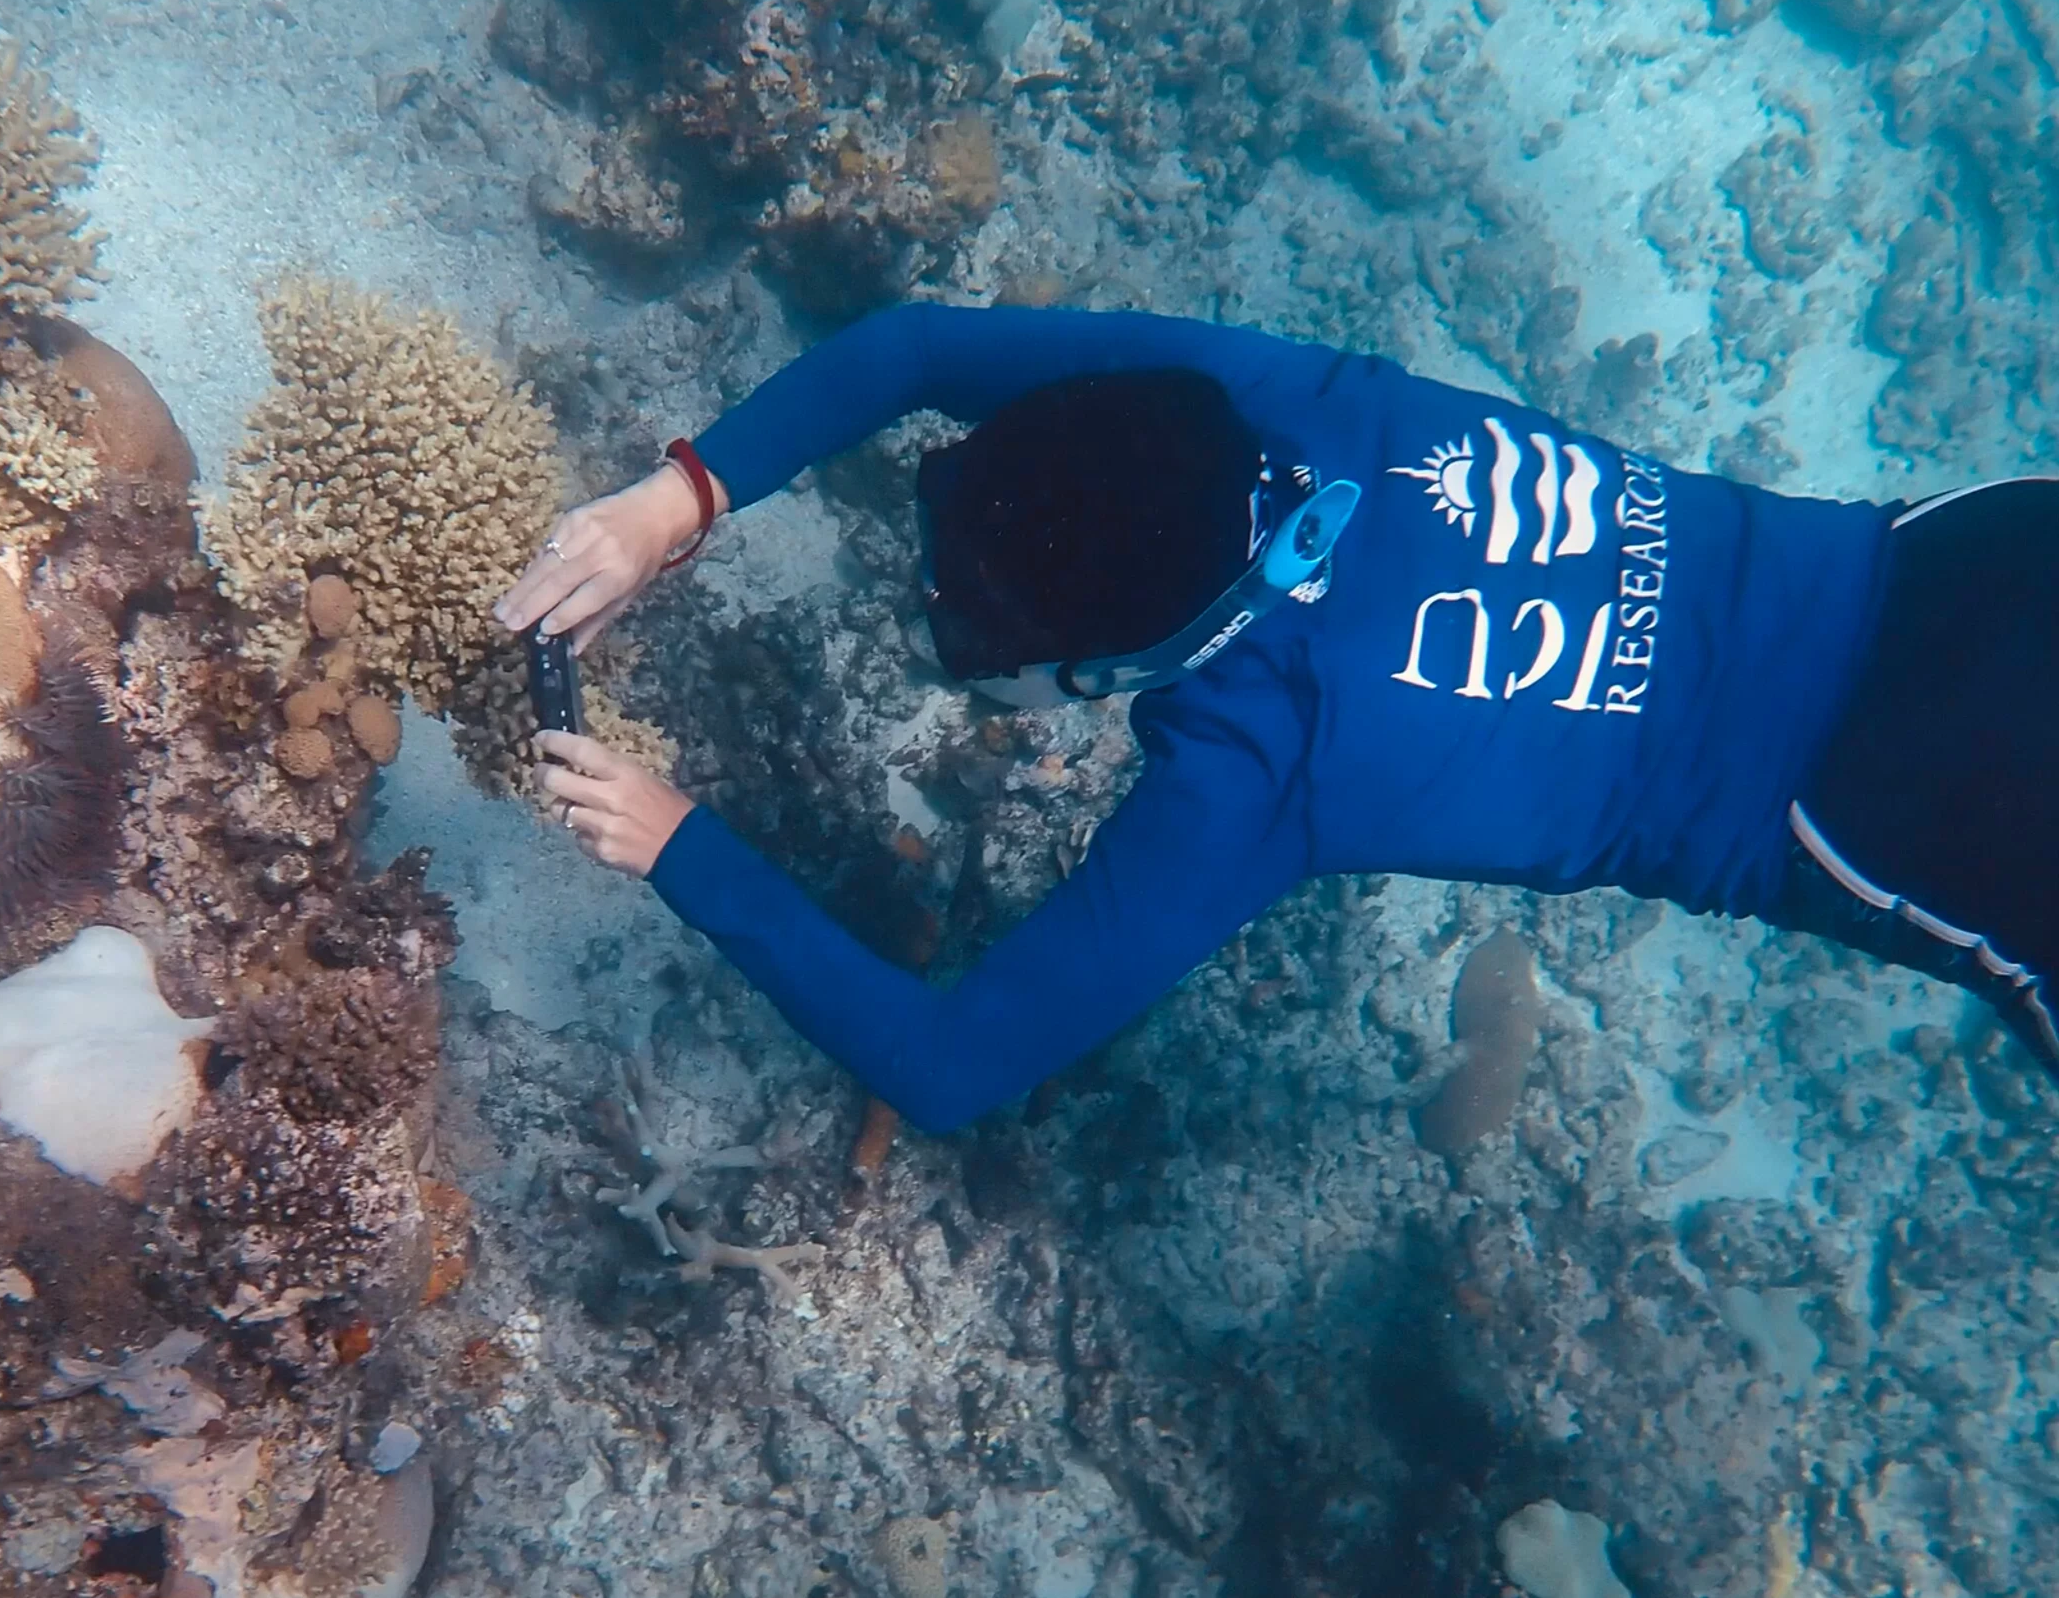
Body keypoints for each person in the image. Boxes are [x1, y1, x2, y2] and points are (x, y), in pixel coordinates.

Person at [495, 302, 2059, 1133]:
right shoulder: (1277, 402)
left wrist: (678, 843)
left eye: (960, 630)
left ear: (1100, 680)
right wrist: (676, 497)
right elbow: (914, 351)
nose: (927, 619)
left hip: (1897, 806)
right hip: (1966, 560)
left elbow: (954, 1064)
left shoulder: (1261, 762)